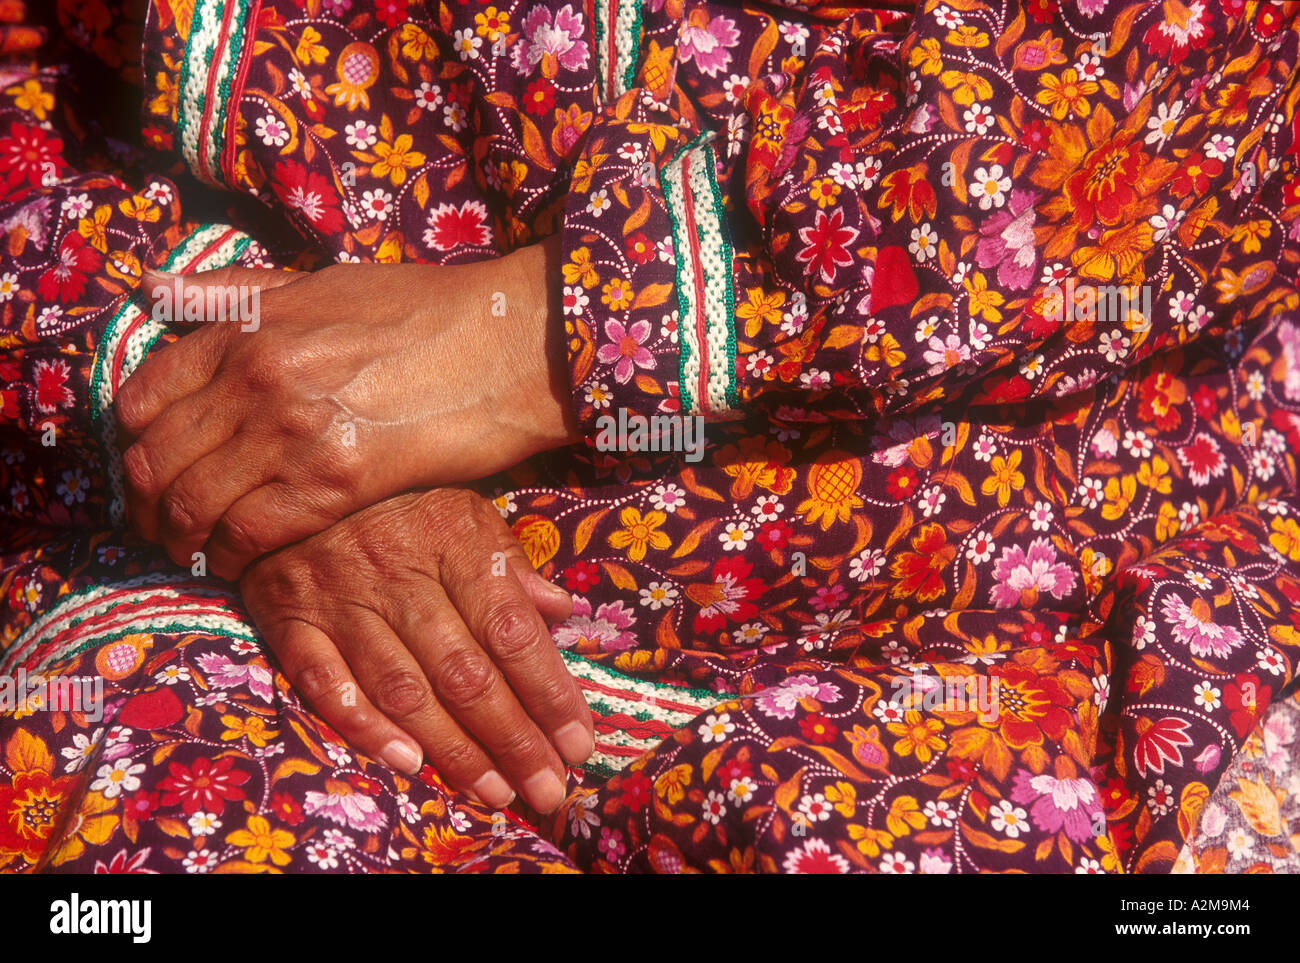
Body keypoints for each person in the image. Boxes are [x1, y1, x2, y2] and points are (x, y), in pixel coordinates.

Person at [2, 0, 1299, 873]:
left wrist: (531, 341)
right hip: (256, 604)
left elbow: (1181, 79)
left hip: (1023, 624)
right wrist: (233, 420)